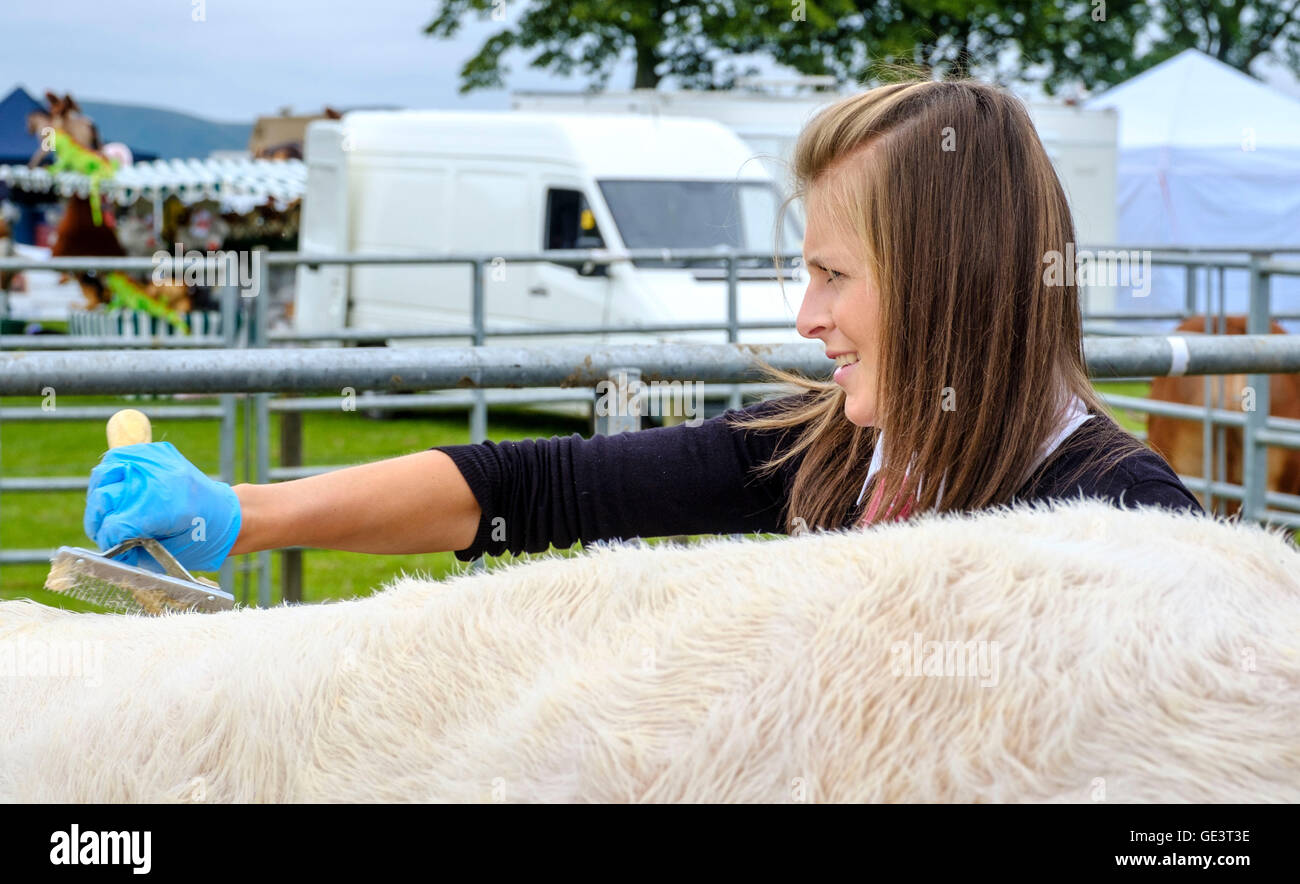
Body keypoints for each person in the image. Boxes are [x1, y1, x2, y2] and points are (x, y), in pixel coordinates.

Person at [83, 79, 1203, 575]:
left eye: (832, 275)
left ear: (947, 283)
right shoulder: (833, 451)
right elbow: (535, 490)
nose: (804, 316)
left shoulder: (1134, 524)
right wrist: (245, 513)